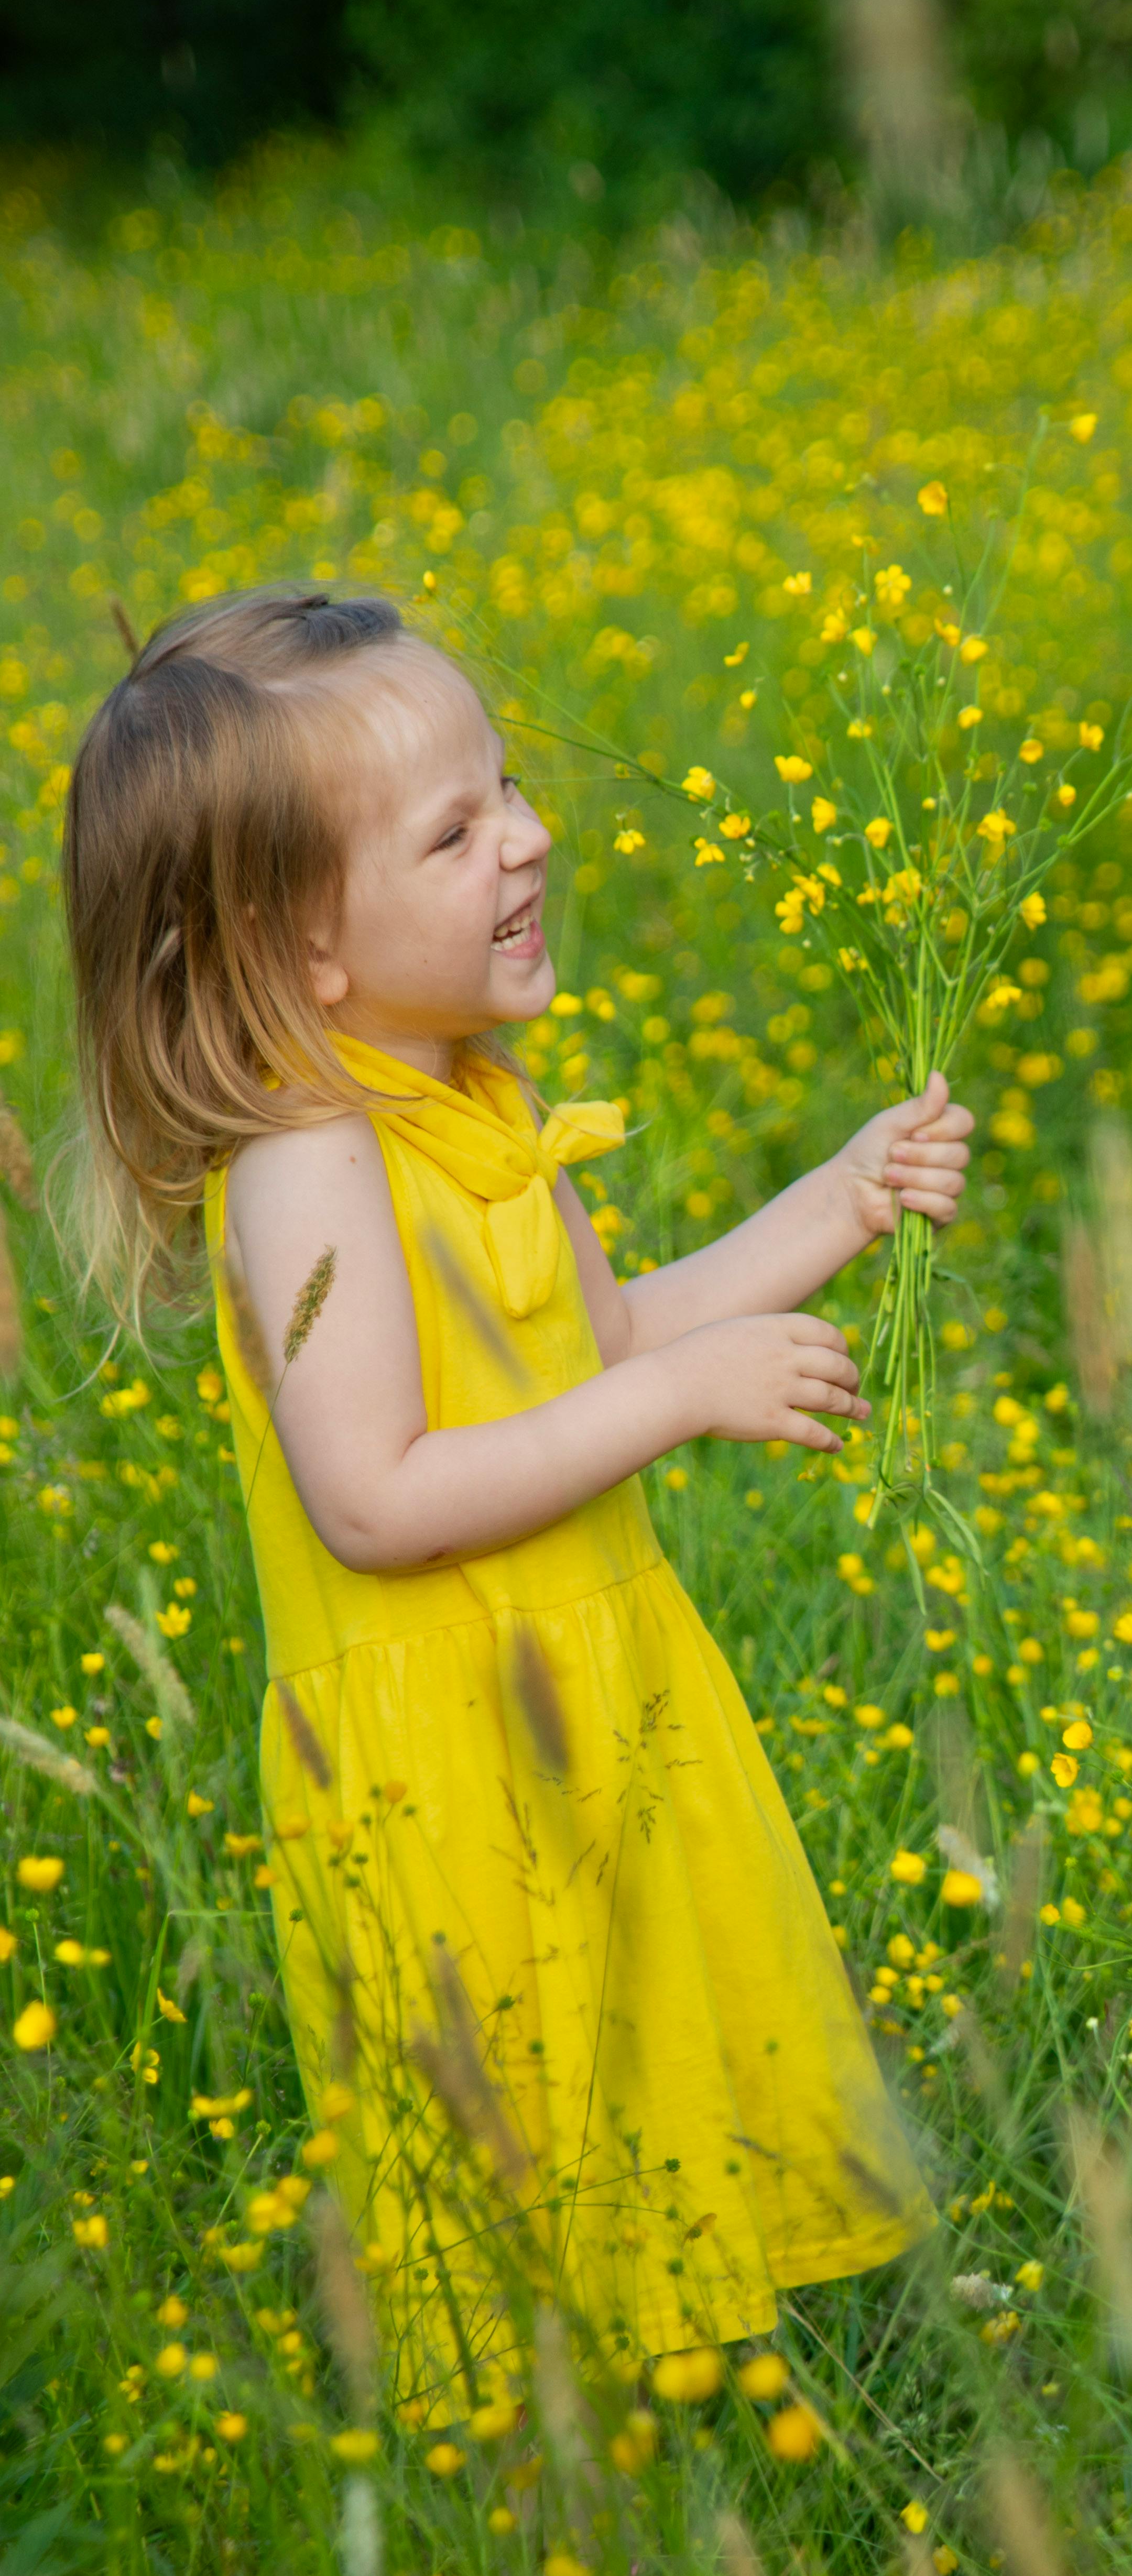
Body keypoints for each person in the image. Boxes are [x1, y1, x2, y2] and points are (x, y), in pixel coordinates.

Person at [64, 584, 970, 2406]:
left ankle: (656, 2572)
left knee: (637, 2147)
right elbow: (379, 1499)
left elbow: (603, 1333)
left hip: (589, 1713)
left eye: (513, 790)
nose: (530, 837)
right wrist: (674, 1405)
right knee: (523, 2207)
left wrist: (834, 1204)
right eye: (456, 827)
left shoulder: (468, 1100)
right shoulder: (308, 1167)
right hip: (448, 1771)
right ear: (300, 939)